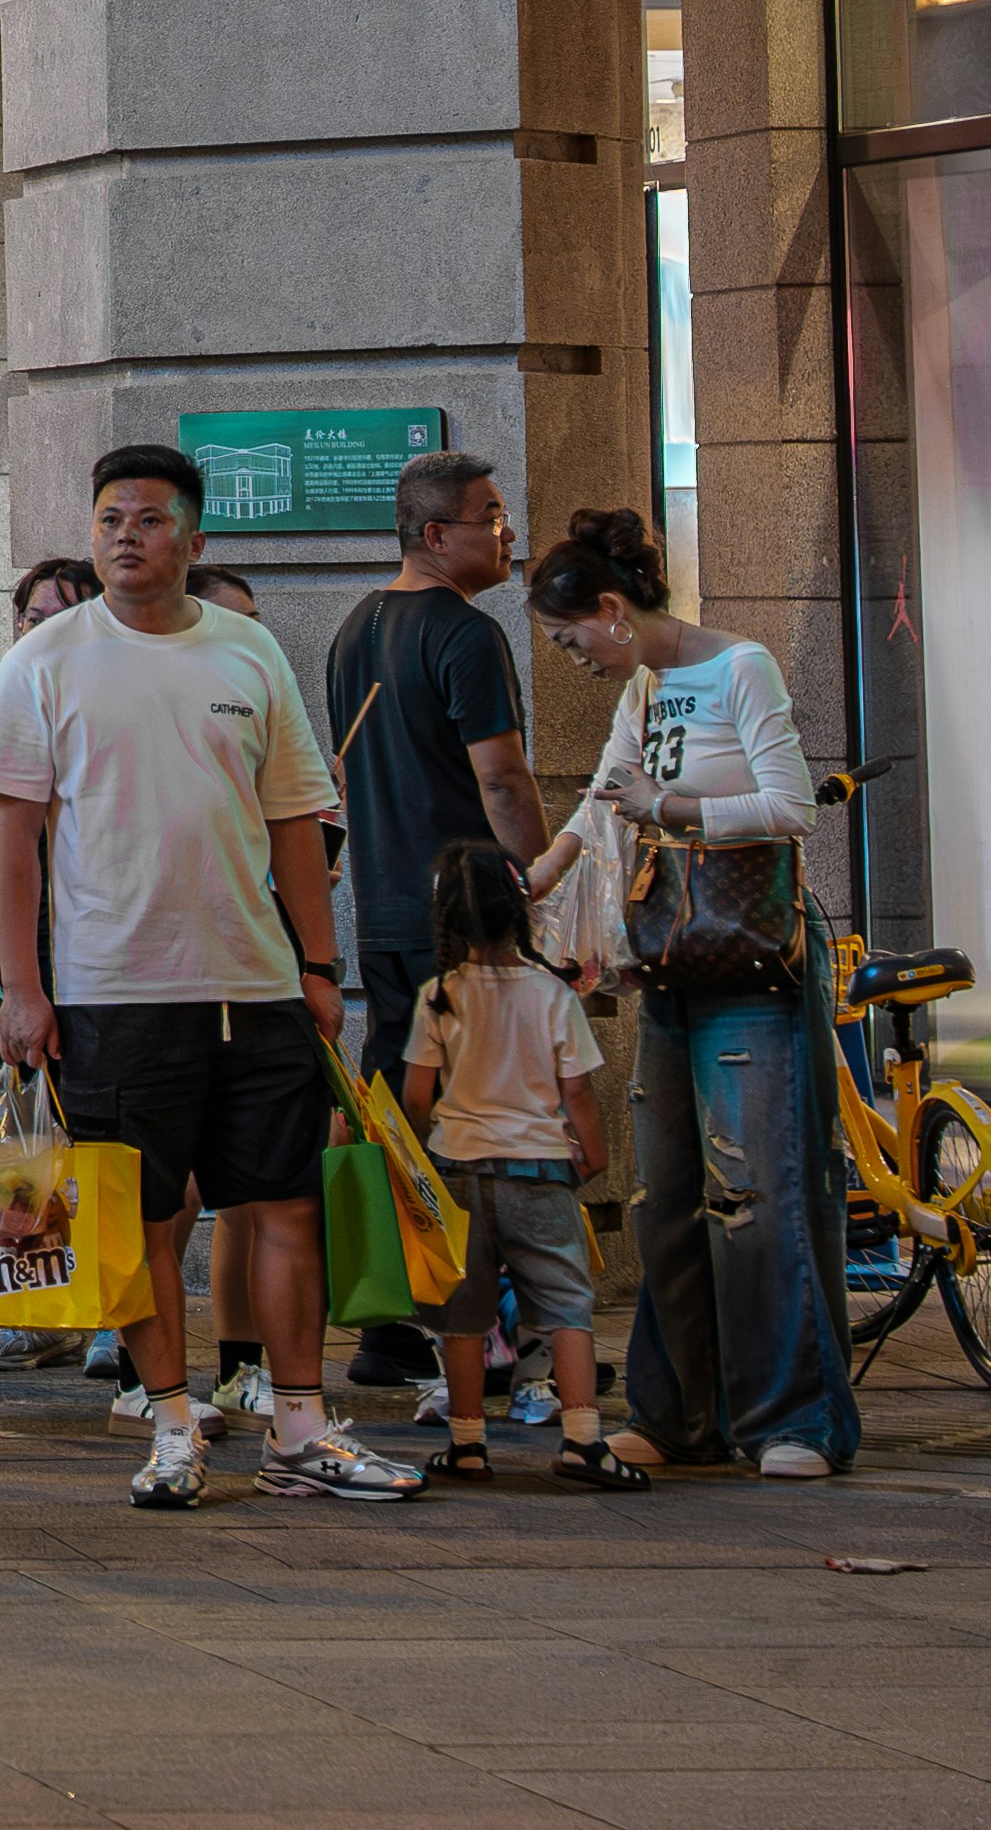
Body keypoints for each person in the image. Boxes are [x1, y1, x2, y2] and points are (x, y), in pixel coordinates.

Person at [0, 445, 416, 1508]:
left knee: (283, 1205)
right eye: (111, 518)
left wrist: (319, 964)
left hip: (256, 984)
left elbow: (298, 825)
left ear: (195, 538)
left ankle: (301, 1427)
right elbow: (14, 841)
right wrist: (23, 989)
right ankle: (172, 1422)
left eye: (151, 519)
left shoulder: (248, 651)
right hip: (108, 990)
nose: (127, 534)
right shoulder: (44, 661)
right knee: (133, 1218)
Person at [524, 506, 855, 1480]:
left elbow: (791, 805)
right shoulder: (649, 683)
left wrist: (669, 809)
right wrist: (543, 871)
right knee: (665, 1195)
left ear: (614, 610)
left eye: (569, 637)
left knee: (755, 1197)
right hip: (670, 955)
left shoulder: (737, 667)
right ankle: (677, 1418)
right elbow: (602, 793)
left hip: (749, 958)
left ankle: (794, 1420)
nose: (572, 657)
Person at [322, 451, 544, 1392]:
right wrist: (540, 876)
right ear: (434, 534)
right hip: (465, 914)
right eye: (491, 515)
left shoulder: (353, 629)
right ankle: (478, 1331)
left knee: (392, 1118)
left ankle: (388, 1325)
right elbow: (499, 775)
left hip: (384, 911)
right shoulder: (464, 632)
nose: (508, 533)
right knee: (476, 1123)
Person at [398, 836, 629, 1488]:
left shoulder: (440, 996)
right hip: (539, 1169)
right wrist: (596, 1150)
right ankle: (584, 1440)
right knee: (565, 1304)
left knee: (464, 1317)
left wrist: (414, 1154)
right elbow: (578, 1087)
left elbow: (418, 1094)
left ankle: (467, 1445)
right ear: (519, 910)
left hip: (458, 1168)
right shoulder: (551, 992)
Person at [0, 554, 110, 1371]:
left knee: (101, 1137)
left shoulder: (111, 706)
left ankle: (113, 1311)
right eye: (34, 617)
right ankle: (31, 1312)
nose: (45, 631)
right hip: (7, 970)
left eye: (65, 617)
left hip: (103, 961)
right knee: (5, 1141)